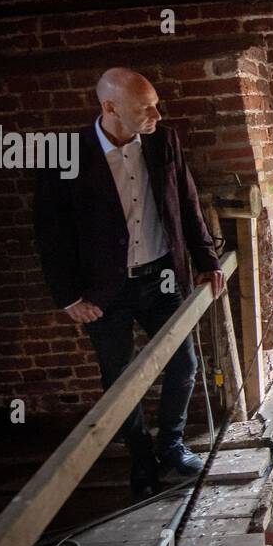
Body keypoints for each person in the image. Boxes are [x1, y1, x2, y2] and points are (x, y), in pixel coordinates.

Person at [34, 67, 226, 497]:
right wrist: (68, 299)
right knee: (119, 380)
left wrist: (206, 258)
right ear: (110, 107)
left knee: (183, 366)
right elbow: (51, 234)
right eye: (145, 108)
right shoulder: (65, 154)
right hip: (105, 291)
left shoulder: (164, 141)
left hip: (160, 275)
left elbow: (188, 203)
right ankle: (141, 458)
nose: (156, 114)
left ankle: (171, 446)